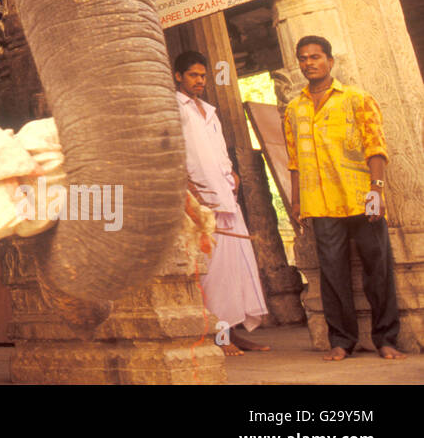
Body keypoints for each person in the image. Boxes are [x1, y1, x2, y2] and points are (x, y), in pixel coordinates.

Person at [283, 35, 406, 361]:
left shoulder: (357, 98)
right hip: (320, 204)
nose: (309, 63)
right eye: (303, 58)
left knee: (377, 270)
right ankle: (342, 340)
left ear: (330, 61)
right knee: (333, 274)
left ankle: (386, 339)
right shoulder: (294, 109)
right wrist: (296, 202)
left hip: (360, 198)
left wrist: (377, 192)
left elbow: (375, 148)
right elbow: (294, 162)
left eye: (315, 57)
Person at [173, 50, 270, 355]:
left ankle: (234, 331)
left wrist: (233, 173)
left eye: (203, 75)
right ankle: (219, 335)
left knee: (236, 267)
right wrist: (187, 187)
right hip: (200, 198)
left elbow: (217, 150)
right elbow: (175, 151)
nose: (199, 81)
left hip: (226, 193)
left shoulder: (208, 110)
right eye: (193, 75)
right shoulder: (173, 108)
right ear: (178, 76)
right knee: (212, 272)